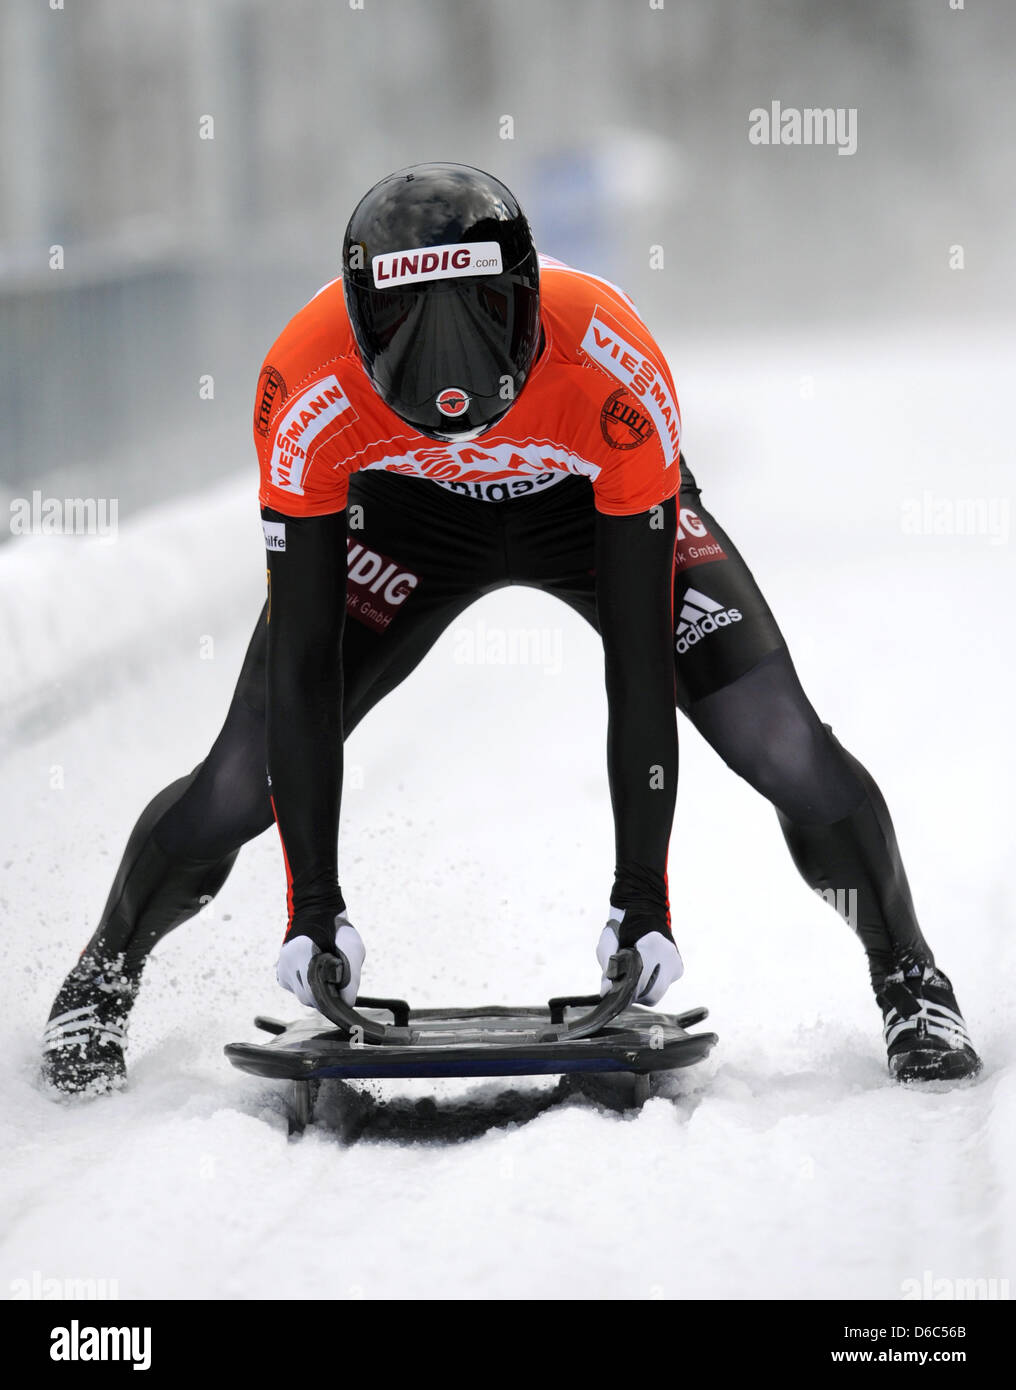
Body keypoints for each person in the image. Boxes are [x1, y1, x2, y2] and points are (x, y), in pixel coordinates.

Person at [42, 163, 980, 1097]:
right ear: (361, 326)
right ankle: (102, 975)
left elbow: (641, 671)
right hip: (409, 519)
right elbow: (303, 670)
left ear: (528, 306)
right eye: (413, 342)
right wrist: (312, 910)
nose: (449, 381)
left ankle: (909, 974)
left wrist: (642, 899)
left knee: (782, 742)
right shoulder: (305, 382)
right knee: (241, 784)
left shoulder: (613, 362)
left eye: (476, 323)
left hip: (586, 510)